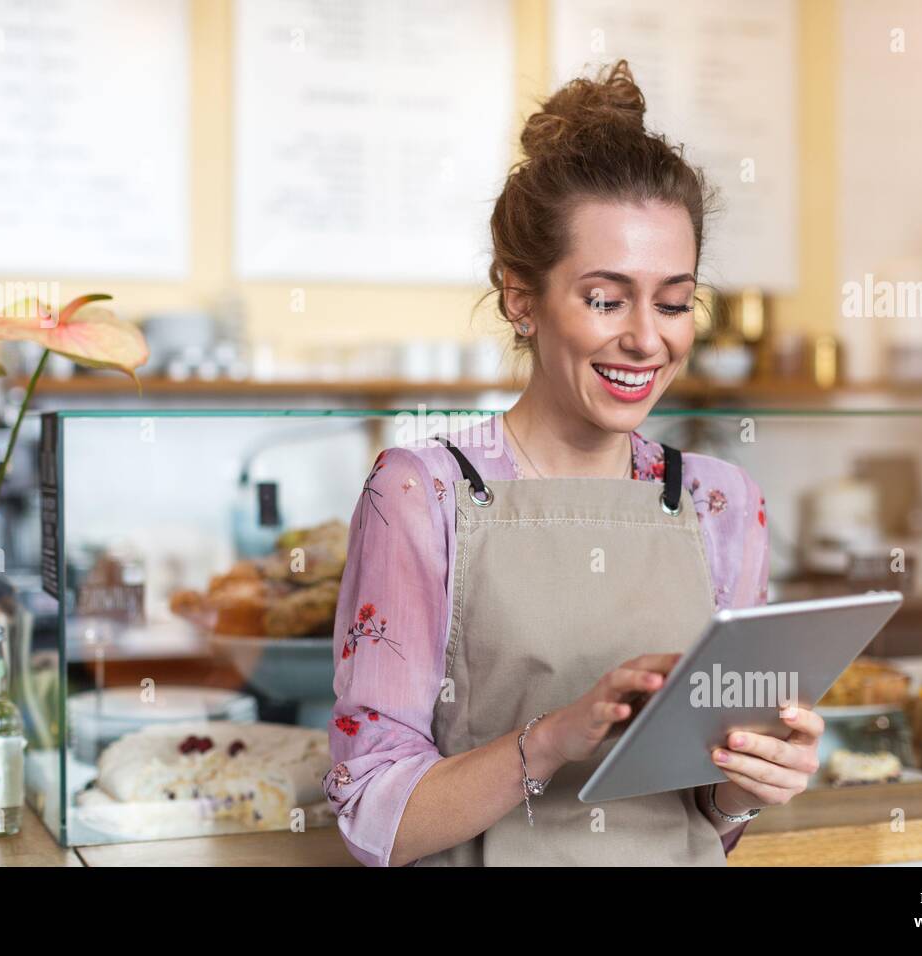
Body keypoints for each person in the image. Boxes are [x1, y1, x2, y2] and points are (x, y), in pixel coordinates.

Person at [324, 60, 822, 866]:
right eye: (604, 298)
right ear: (521, 298)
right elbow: (371, 815)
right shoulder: (422, 494)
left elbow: (705, 819)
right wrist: (554, 739)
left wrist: (750, 780)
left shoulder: (724, 503)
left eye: (672, 302)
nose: (647, 339)